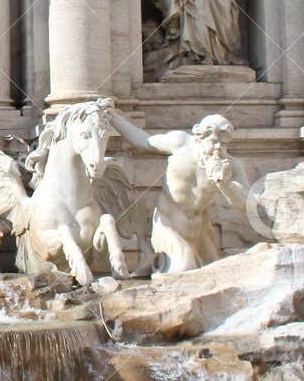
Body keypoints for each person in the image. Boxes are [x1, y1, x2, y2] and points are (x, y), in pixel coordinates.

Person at [106, 109, 250, 274]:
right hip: (169, 226)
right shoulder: (181, 143)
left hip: (200, 231)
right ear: (200, 137)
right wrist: (113, 117)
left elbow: (244, 204)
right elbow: (143, 141)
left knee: (214, 274)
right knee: (183, 271)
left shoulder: (230, 165)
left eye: (224, 144)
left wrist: (225, 185)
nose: (218, 148)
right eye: (213, 142)